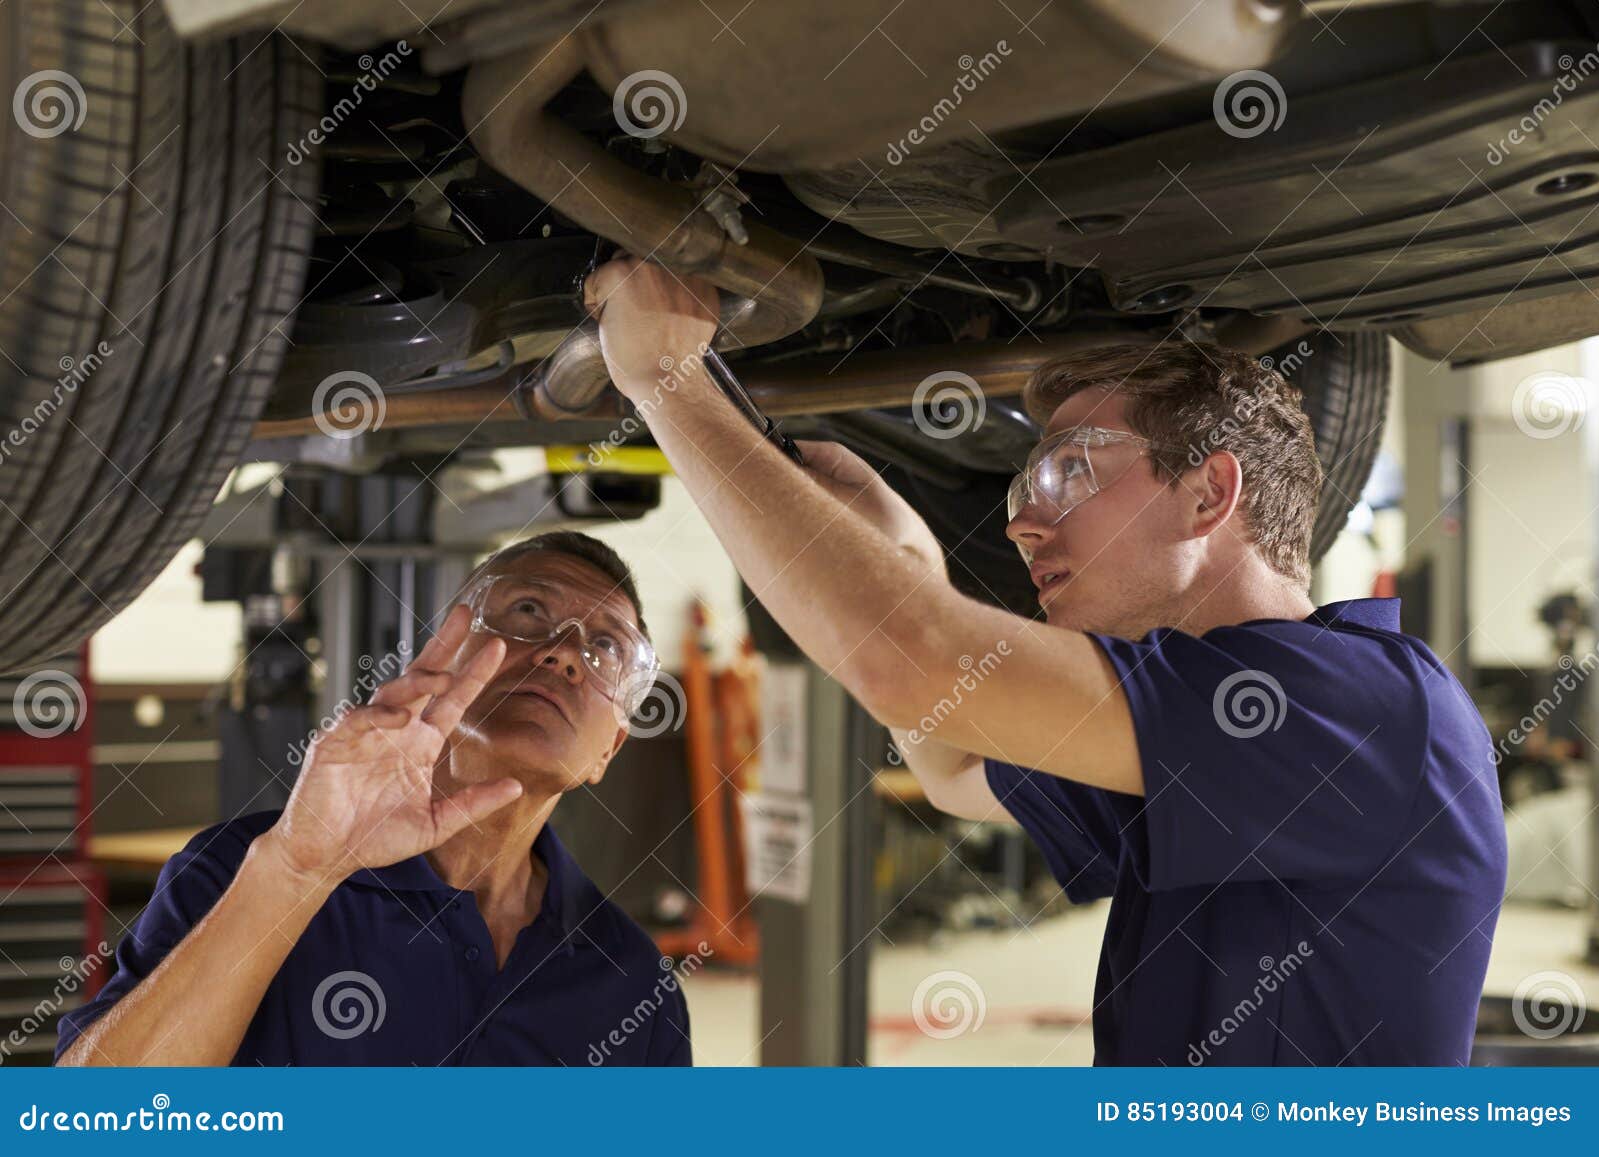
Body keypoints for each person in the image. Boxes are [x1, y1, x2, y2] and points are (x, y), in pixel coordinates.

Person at [589, 256, 1507, 1065]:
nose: (1021, 518)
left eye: (1068, 470)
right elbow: (952, 765)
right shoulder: (1200, 728)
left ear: (1207, 494)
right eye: (1027, 482)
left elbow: (919, 666)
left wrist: (668, 380)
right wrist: (906, 561)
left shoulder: (1362, 708)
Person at [56, 532, 691, 1067]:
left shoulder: (634, 984)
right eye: (528, 611)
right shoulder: (240, 871)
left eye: (606, 646)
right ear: (443, 649)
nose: (565, 653)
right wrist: (297, 869)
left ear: (610, 747)